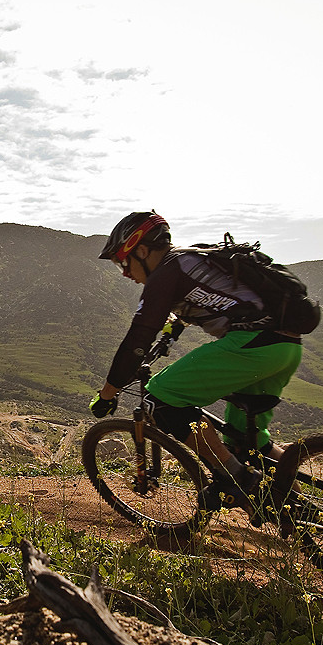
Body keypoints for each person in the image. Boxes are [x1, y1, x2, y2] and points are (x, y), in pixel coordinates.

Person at [89, 210, 304, 508]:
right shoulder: (192, 259)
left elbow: (136, 340)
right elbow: (203, 303)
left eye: (123, 262)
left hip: (253, 345)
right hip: (286, 348)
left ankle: (235, 479)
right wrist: (170, 335)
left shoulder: (166, 273)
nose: (125, 273)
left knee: (159, 402)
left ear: (141, 250)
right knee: (248, 441)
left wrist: (108, 394)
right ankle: (298, 505)